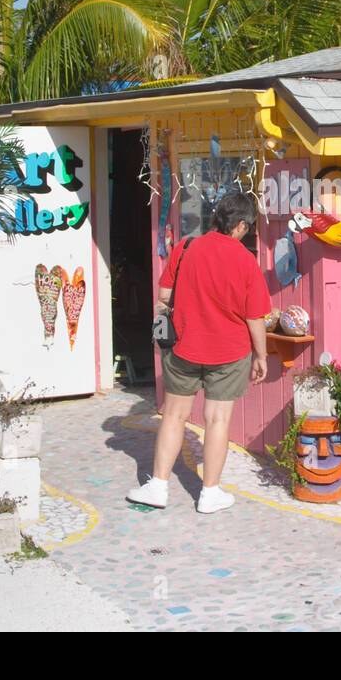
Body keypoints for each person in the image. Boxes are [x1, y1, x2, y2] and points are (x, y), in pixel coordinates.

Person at [128, 191, 270, 513]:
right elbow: (254, 316)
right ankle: (209, 493)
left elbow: (163, 298)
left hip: (183, 347)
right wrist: (261, 356)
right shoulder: (246, 260)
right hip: (229, 354)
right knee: (217, 420)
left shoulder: (186, 247)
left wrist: (162, 332)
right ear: (242, 225)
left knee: (174, 415)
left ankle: (159, 486)